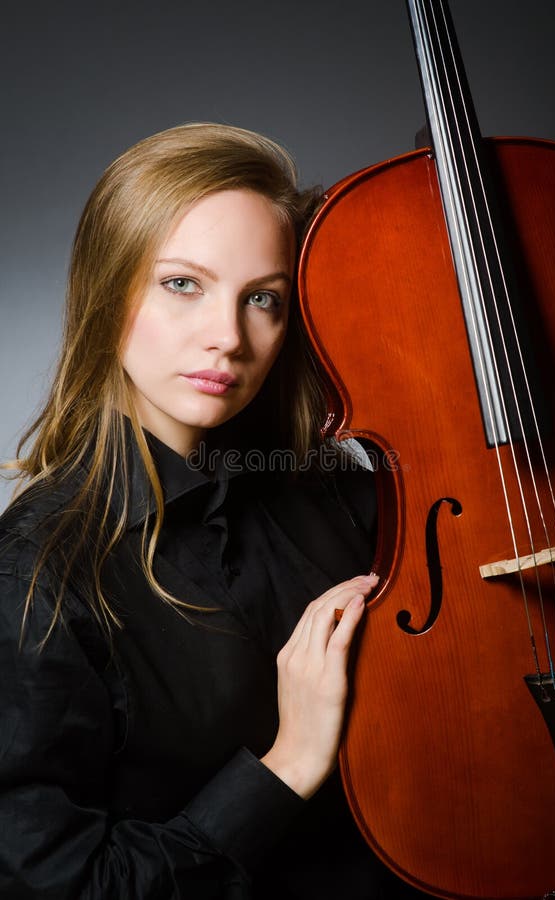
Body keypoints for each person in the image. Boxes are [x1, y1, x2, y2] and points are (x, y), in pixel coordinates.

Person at [0, 123, 418, 899]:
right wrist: (287, 764)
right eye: (183, 284)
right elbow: (56, 884)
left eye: (263, 299)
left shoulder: (333, 492)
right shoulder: (38, 572)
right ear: (108, 283)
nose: (229, 338)